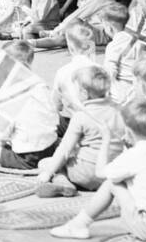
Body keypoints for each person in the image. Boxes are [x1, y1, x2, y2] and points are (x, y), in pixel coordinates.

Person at [51, 99, 146, 242]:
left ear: (129, 130)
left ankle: (78, 224)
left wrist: (106, 139)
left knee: (112, 183)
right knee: (134, 178)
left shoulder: (135, 155)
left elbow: (100, 172)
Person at [36, 64, 128, 197]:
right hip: (112, 172)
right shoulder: (121, 111)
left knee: (45, 163)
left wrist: (47, 173)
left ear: (84, 93)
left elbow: (65, 149)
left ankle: (62, 182)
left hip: (84, 174)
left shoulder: (82, 116)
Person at [0, 41, 60, 169]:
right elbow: (54, 115)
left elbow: (3, 133)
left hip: (27, 157)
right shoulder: (41, 85)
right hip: (51, 148)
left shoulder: (9, 92)